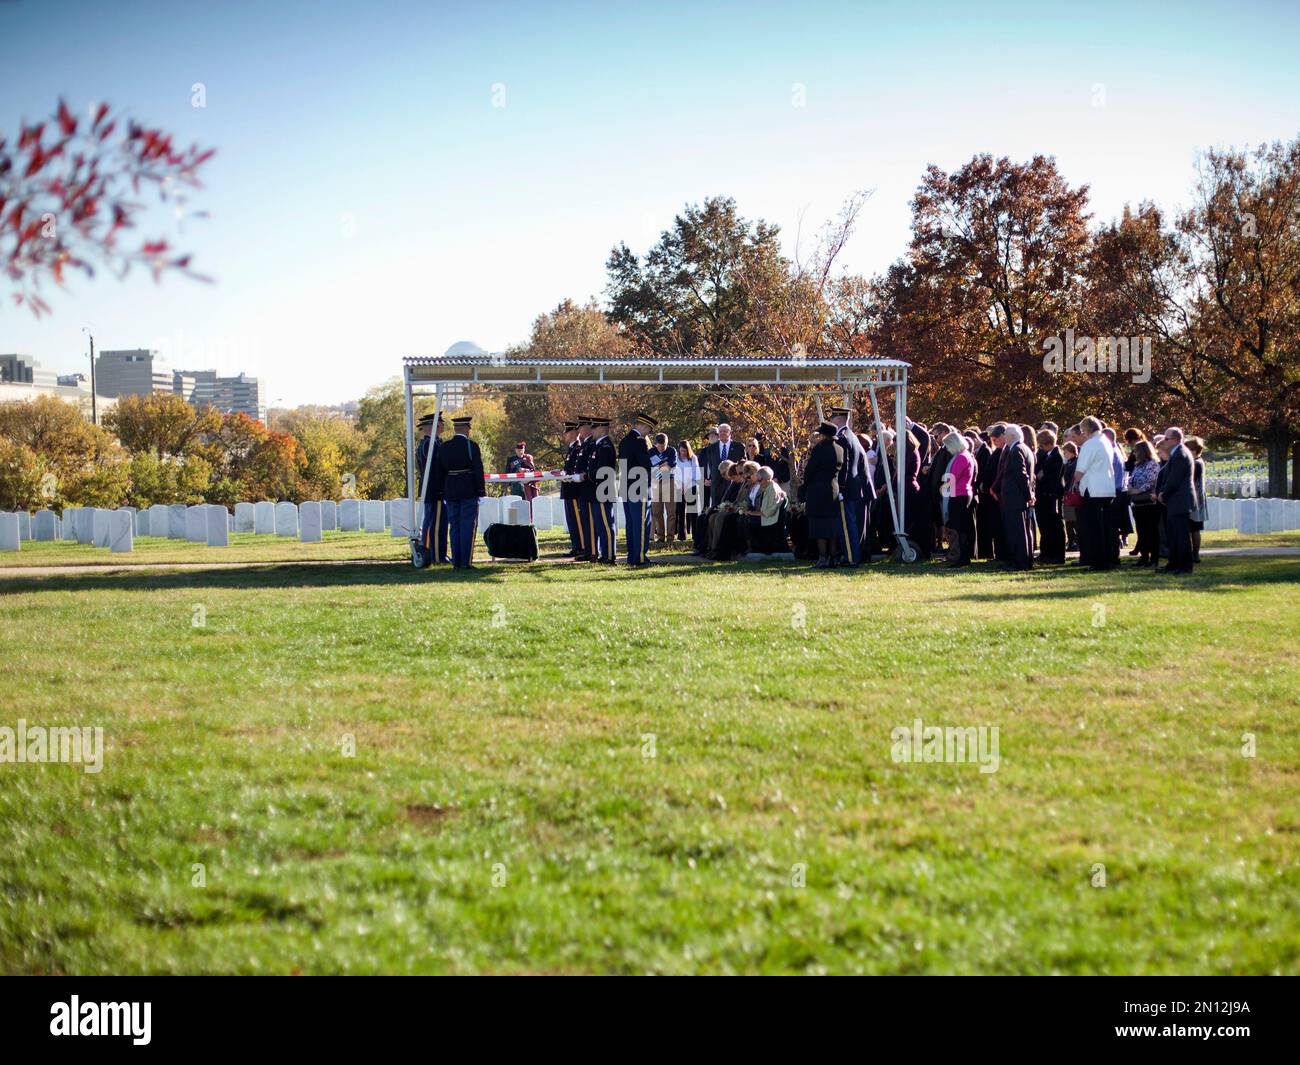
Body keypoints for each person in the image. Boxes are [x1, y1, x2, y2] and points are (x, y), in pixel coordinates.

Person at [434, 413, 486, 569]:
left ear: (455, 429)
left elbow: (439, 472)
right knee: (467, 527)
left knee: (454, 527)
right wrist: (481, 491)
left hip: (450, 490)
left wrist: (442, 492)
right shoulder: (471, 446)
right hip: (468, 490)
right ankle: (465, 562)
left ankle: (456, 562)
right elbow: (478, 469)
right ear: (467, 429)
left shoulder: (445, 447)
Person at [1073, 416, 1118, 570]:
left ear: (1086, 429)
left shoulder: (1090, 444)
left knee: (1094, 528)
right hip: (1108, 488)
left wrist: (1073, 484)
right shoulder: (1105, 441)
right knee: (1106, 527)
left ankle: (1098, 562)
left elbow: (1080, 470)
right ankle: (1109, 559)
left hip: (1093, 490)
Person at [800, 422, 846, 568]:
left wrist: (804, 485)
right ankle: (833, 557)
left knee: (818, 526)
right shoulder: (840, 449)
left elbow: (810, 470)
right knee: (831, 525)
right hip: (833, 488)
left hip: (817, 490)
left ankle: (823, 558)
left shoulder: (819, 449)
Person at [829, 405, 870, 565]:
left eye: (832, 418)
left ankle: (851, 558)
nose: (831, 421)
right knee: (850, 524)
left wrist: (841, 488)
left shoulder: (843, 437)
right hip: (853, 488)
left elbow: (844, 466)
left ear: (838, 420)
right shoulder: (849, 435)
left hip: (847, 489)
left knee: (847, 526)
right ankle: (851, 556)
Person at [1155, 427, 1195, 574]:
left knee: (1181, 535)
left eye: (1166, 439)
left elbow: (1174, 480)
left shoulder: (1180, 454)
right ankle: (1174, 564)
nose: (1163, 441)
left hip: (1180, 500)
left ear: (1176, 440)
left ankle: (1185, 566)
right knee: (1173, 534)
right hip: (1175, 500)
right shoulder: (1176, 453)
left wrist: (1163, 495)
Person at [618, 412, 655, 566]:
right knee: (641, 524)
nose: (648, 434)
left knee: (631, 524)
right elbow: (645, 463)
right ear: (644, 426)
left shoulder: (624, 441)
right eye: (649, 430)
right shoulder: (639, 442)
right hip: (639, 487)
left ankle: (632, 556)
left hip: (627, 487)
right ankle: (639, 558)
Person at [998, 424, 1035, 570]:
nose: (1004, 437)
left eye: (1005, 435)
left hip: (1015, 498)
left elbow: (1022, 475)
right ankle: (1024, 560)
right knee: (1023, 531)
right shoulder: (1024, 448)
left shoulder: (1016, 450)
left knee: (1017, 532)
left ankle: (1020, 562)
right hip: (1019, 498)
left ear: (1012, 436)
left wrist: (1028, 495)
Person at [414, 412, 449, 565]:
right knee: (436, 525)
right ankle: (436, 555)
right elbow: (436, 469)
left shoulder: (428, 443)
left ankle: (434, 553)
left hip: (430, 489)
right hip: (435, 490)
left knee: (433, 522)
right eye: (440, 423)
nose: (442, 426)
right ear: (433, 426)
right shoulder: (430, 444)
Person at [940, 431, 975, 566]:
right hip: (961, 493)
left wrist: (943, 486)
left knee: (958, 528)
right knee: (960, 528)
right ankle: (961, 556)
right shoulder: (965, 455)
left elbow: (952, 478)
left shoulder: (961, 457)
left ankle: (961, 557)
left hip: (958, 495)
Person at [586, 416, 617, 563]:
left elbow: (602, 471)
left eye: (594, 428)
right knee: (600, 526)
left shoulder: (605, 446)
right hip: (596, 491)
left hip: (603, 491)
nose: (592, 431)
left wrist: (586, 476)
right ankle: (604, 554)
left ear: (601, 429)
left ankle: (609, 556)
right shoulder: (598, 445)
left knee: (606, 525)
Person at [1127, 439, 1161, 566]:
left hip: (1149, 503)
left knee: (1151, 531)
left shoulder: (1152, 464)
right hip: (1138, 504)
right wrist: (1130, 488)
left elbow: (1151, 481)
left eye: (1135, 452)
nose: (1134, 454)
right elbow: (1131, 479)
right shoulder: (1138, 465)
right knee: (1141, 531)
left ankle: (1154, 558)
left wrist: (1138, 491)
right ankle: (1144, 556)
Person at [1034, 428, 1066, 564]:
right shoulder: (1045, 455)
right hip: (1043, 496)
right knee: (1045, 526)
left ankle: (1057, 554)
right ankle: (1046, 552)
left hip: (1052, 496)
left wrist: (1043, 475)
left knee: (1055, 526)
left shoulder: (1057, 455)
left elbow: (1055, 477)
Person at [741, 466, 788, 554]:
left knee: (748, 520)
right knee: (744, 519)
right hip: (766, 516)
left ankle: (756, 548)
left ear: (767, 479)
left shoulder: (773, 489)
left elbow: (768, 512)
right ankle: (749, 548)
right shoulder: (767, 487)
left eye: (760, 480)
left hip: (771, 519)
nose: (758, 483)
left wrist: (752, 513)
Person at [559, 421, 585, 558]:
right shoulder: (571, 448)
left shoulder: (578, 448)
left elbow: (575, 470)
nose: (565, 435)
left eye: (567, 432)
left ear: (575, 433)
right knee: (571, 520)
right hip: (568, 490)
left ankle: (581, 546)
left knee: (576, 520)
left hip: (574, 490)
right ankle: (576, 545)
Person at [703, 423, 745, 507]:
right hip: (716, 484)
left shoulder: (739, 447)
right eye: (720, 431)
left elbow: (743, 464)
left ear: (730, 433)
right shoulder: (711, 448)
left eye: (725, 431)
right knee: (715, 509)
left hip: (733, 483)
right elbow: (710, 465)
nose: (722, 433)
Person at [574, 414, 598, 562]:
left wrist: (583, 476)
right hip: (583, 488)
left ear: (588, 428)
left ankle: (593, 551)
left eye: (581, 427)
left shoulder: (592, 444)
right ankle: (588, 550)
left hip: (589, 487)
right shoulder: (585, 444)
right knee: (585, 522)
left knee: (590, 522)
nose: (580, 431)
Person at [649, 431, 678, 547]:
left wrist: (660, 465)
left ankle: (670, 537)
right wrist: (663, 464)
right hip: (655, 481)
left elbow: (672, 464)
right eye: (660, 446)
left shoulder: (672, 450)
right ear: (656, 444)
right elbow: (650, 466)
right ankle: (660, 536)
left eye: (664, 445)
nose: (662, 448)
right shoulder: (651, 451)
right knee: (656, 511)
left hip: (669, 480)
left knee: (671, 511)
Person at [1186, 436, 1208, 563]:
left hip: (1194, 500)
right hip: (1196, 500)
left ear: (1194, 450)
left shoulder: (1196, 463)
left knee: (1194, 529)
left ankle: (1195, 554)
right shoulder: (1198, 461)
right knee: (1193, 528)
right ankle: (1193, 554)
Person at [674, 441, 701, 541]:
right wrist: (680, 484)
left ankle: (696, 535)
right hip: (679, 488)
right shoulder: (676, 458)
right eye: (681, 451)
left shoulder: (693, 458)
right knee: (680, 512)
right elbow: (675, 472)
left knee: (693, 512)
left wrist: (687, 485)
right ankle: (682, 536)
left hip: (691, 487)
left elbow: (696, 474)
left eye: (684, 451)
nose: (683, 453)